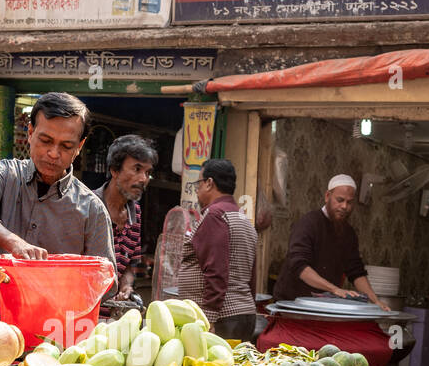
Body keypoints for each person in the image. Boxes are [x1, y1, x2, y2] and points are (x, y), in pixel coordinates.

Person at [0, 91, 115, 333]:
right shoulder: (3, 175)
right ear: (30, 134)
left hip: (51, 346)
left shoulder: (92, 210)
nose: (53, 153)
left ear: (79, 147)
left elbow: (105, 281)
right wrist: (14, 243)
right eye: (45, 140)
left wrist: (57, 281)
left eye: (66, 146)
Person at [273, 174, 385, 309]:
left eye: (349, 202)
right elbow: (299, 267)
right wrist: (334, 289)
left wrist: (376, 301)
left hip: (324, 307)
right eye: (340, 200)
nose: (344, 206)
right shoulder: (308, 223)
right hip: (292, 304)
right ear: (327, 196)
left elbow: (356, 271)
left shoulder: (349, 233)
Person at [176, 159, 258, 341]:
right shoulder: (243, 219)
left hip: (222, 319)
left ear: (209, 183)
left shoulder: (215, 215)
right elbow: (251, 277)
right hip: (243, 313)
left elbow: (216, 270)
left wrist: (208, 318)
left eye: (199, 183)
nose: (197, 189)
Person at [101, 134, 156, 310]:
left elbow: (130, 266)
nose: (143, 179)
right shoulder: (88, 207)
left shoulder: (135, 213)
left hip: (114, 316)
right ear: (114, 170)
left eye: (147, 173)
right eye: (137, 169)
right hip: (83, 313)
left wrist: (126, 286)